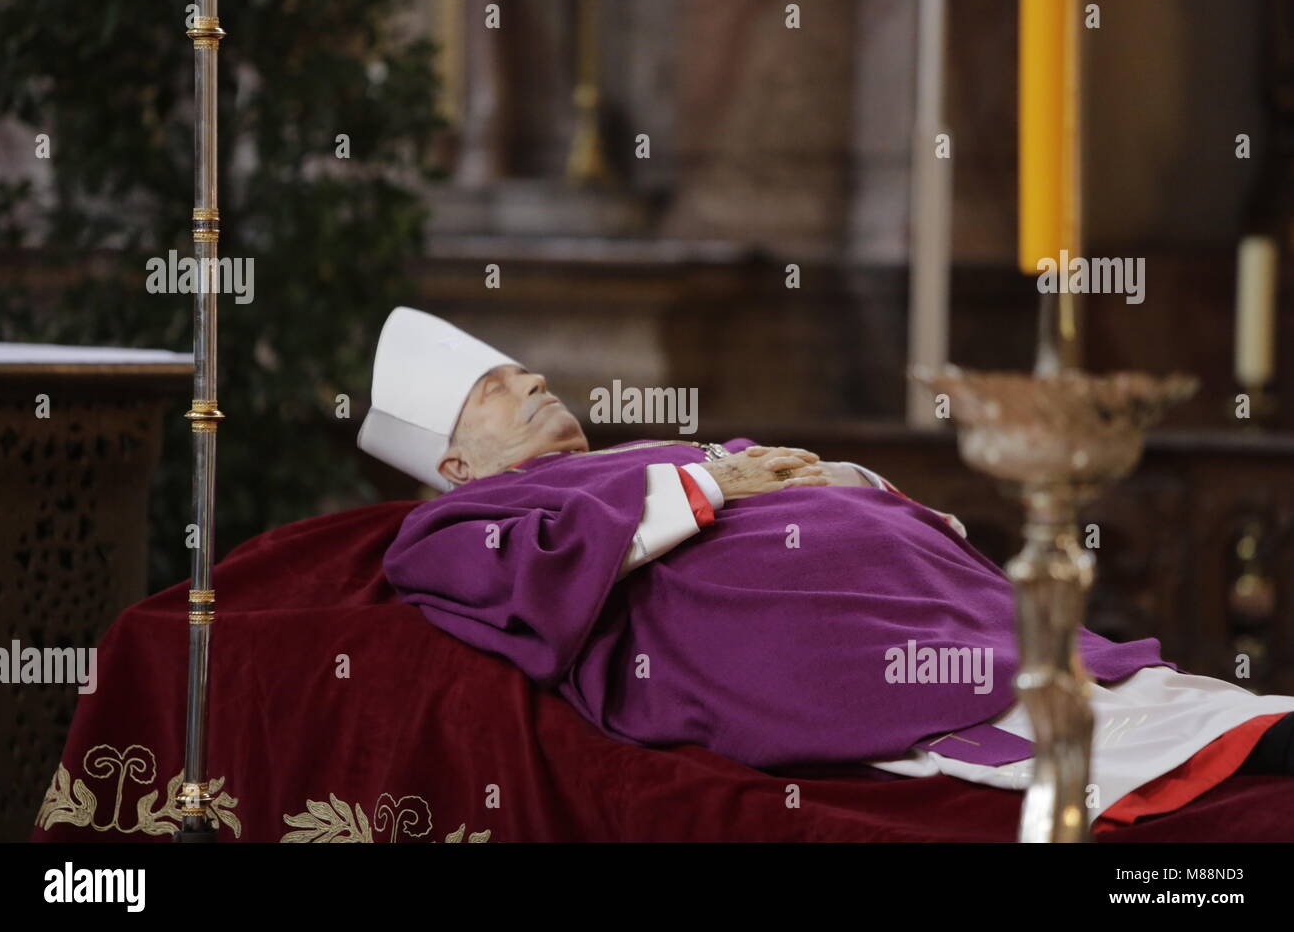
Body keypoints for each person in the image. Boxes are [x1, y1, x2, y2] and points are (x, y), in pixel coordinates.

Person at [359, 307, 1294, 825]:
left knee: (1113, 684)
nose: (531, 380)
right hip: (778, 644)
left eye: (521, 371)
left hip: (912, 592)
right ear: (454, 465)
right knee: (1054, 710)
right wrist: (713, 483)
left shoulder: (635, 453)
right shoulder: (448, 526)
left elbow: (761, 470)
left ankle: (1243, 728)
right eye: (494, 388)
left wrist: (834, 479)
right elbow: (541, 580)